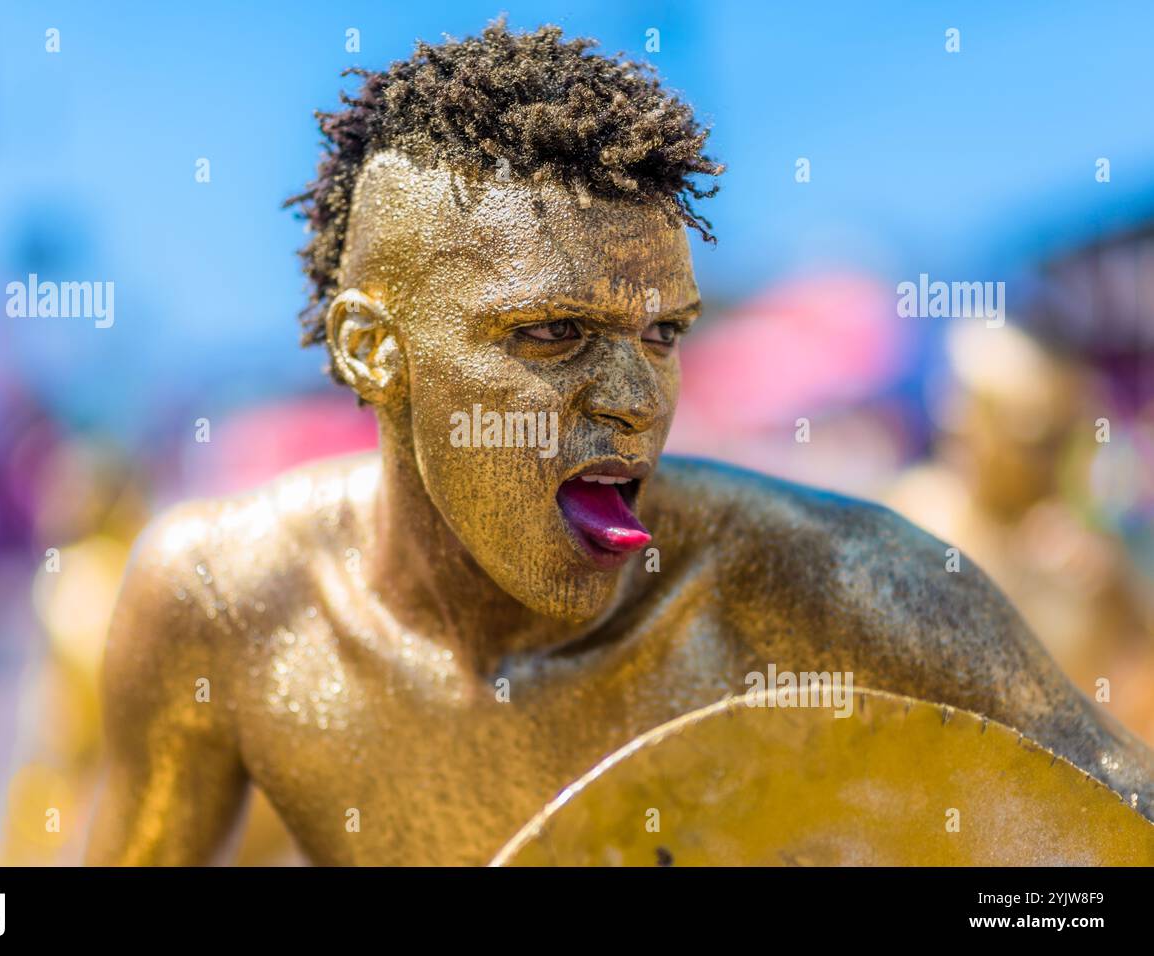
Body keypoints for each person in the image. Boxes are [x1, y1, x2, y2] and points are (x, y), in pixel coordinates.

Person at [87, 21, 1154, 866]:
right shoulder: (222, 606)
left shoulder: (839, 591)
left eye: (663, 332)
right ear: (375, 349)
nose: (636, 398)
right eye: (551, 333)